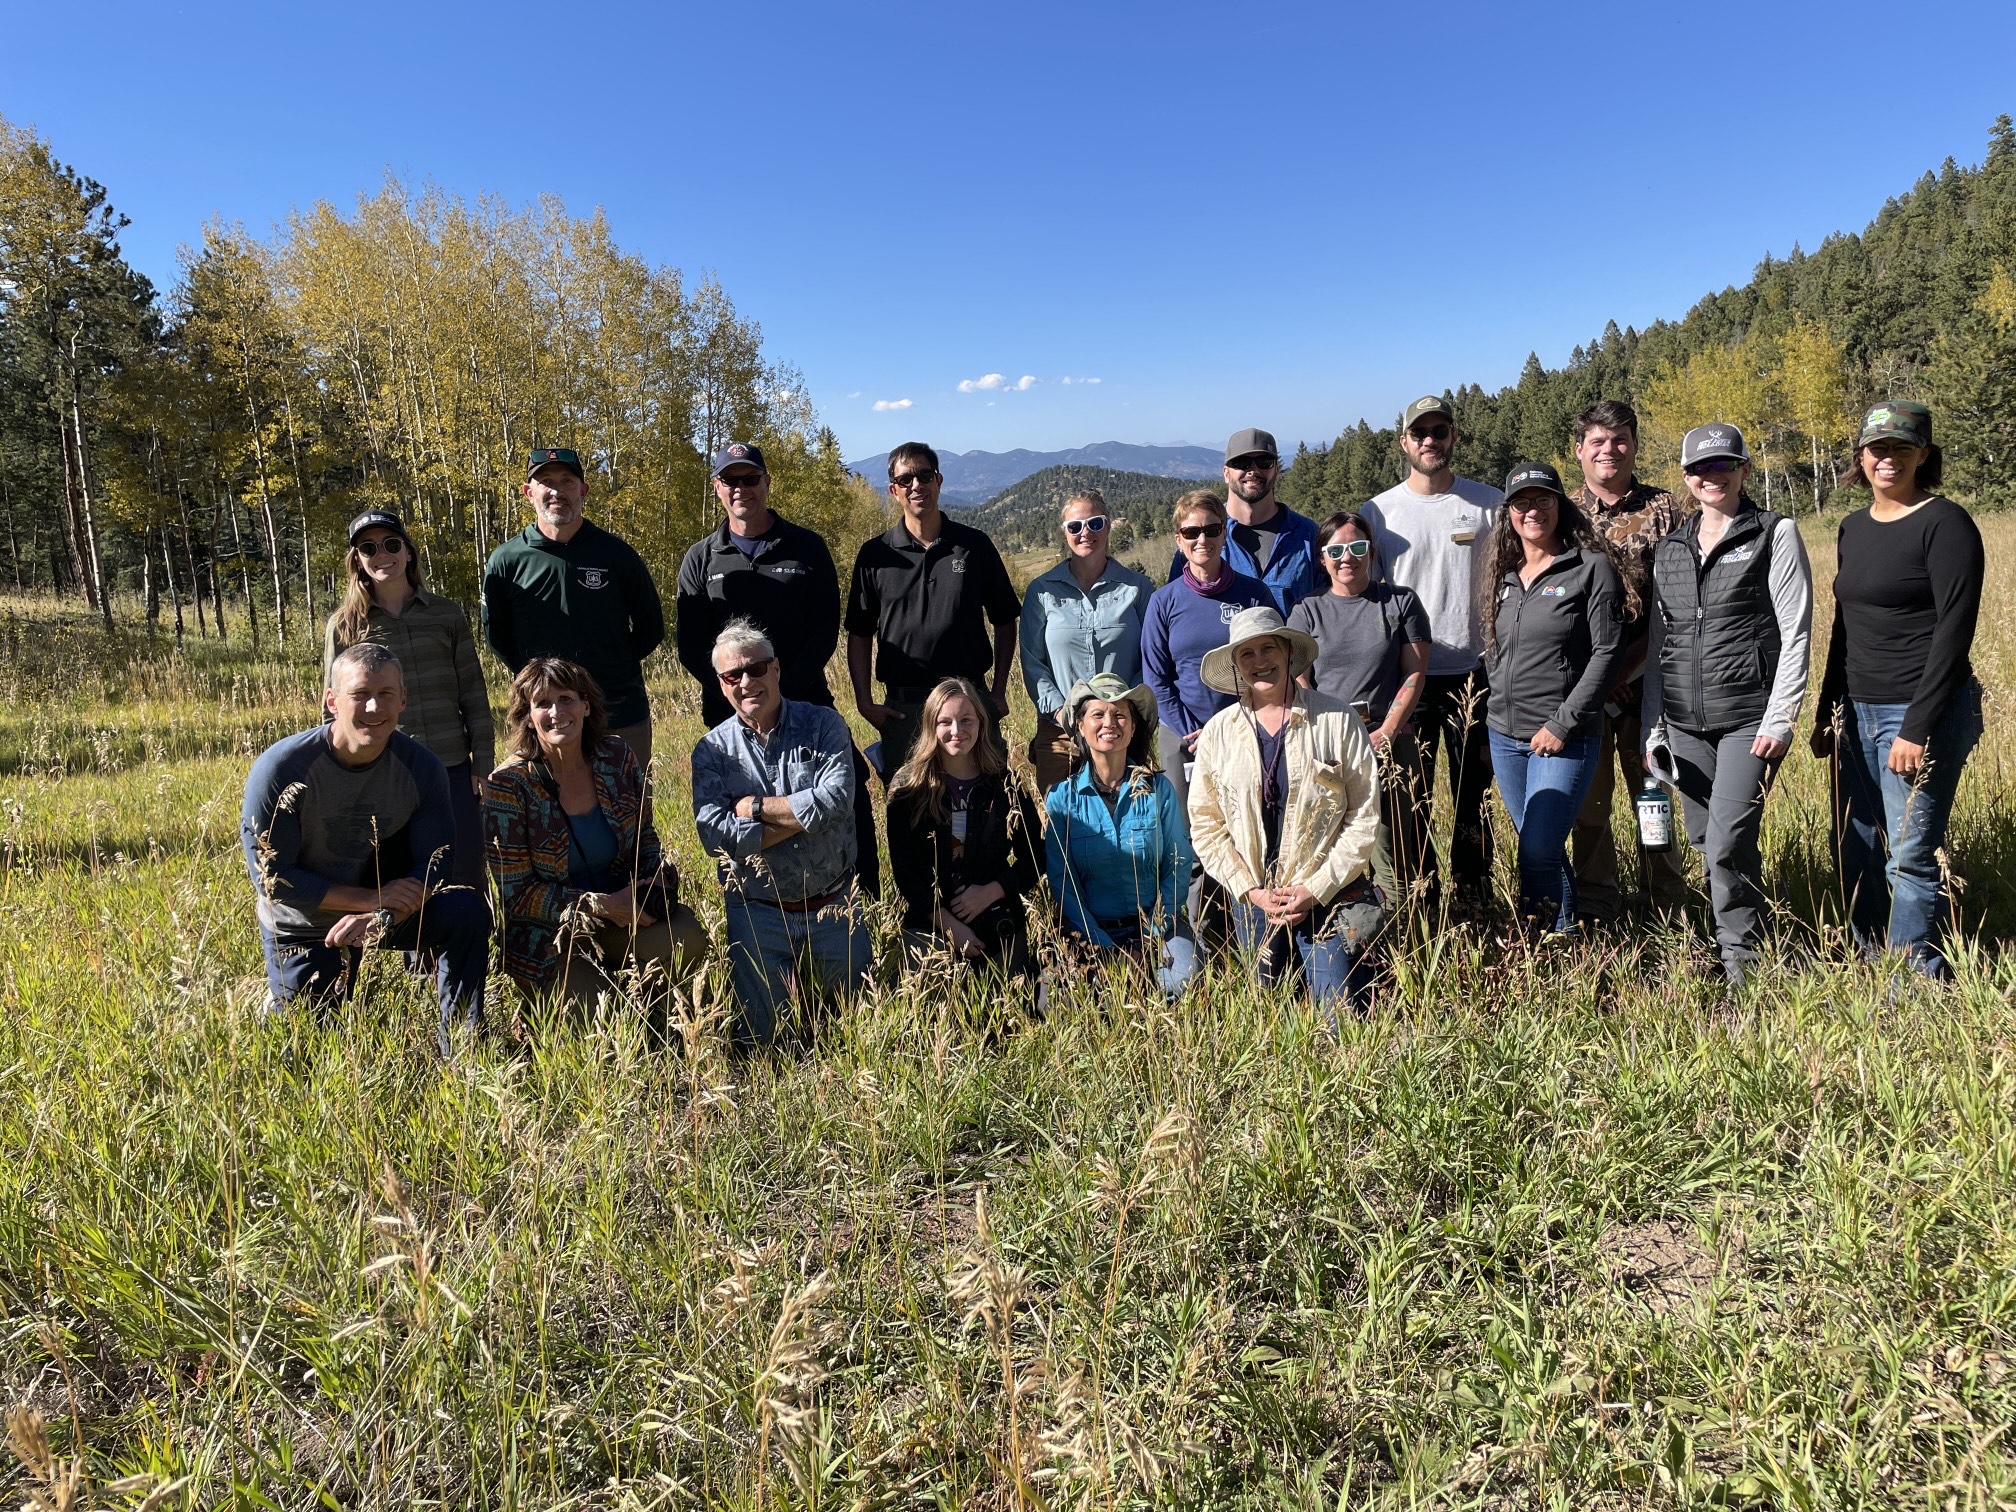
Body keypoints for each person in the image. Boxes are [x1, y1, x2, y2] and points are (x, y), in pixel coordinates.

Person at [241, 644, 491, 1052]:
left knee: (466, 912)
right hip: (305, 923)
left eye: (386, 694)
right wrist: (370, 899)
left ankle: (462, 1051)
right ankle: (280, 1003)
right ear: (332, 700)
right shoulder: (282, 769)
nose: (374, 706)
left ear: (404, 699)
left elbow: (437, 864)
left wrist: (385, 912)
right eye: (360, 694)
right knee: (314, 1052)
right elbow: (274, 880)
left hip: (384, 910)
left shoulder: (422, 768)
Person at [1812, 401, 1985, 979]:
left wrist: (1916, 727)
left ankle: (1914, 981)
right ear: (1860, 457)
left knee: (1910, 855)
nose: (1888, 459)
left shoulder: (1946, 523)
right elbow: (1843, 626)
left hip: (1918, 711)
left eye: (1902, 448)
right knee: (1856, 844)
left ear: (1924, 456)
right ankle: (1868, 957)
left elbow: (1954, 633)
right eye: (1877, 448)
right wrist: (1826, 710)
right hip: (1853, 710)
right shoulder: (1851, 528)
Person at [1643, 424, 1812, 990]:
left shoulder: (1773, 533)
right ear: (1686, 479)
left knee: (1726, 842)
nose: (1711, 477)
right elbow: (1658, 646)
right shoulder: (1670, 549)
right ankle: (1747, 940)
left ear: (1742, 469)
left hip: (1748, 717)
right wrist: (1654, 729)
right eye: (1699, 469)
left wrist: (1781, 716)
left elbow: (1797, 630)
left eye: (1723, 466)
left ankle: (1744, 973)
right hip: (1685, 724)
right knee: (1705, 841)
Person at [674, 440, 880, 898]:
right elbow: (690, 645)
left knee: (847, 804)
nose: (741, 488)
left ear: (767, 483)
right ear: (717, 488)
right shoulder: (700, 559)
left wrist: (782, 693)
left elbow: (825, 631)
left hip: (808, 705)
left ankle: (861, 908)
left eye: (750, 479)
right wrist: (742, 695)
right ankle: (754, 912)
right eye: (731, 480)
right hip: (733, 718)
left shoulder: (806, 547)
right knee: (735, 816)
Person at [483, 658, 708, 1024]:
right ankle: (541, 1013)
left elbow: (644, 837)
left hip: (625, 916)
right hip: (551, 938)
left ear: (586, 705)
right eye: (542, 704)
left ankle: (668, 1034)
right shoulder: (509, 785)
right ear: (527, 716)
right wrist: (599, 905)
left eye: (567, 699)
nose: (557, 712)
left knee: (687, 940)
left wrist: (652, 881)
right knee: (602, 1019)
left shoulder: (615, 756)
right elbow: (517, 895)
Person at [1188, 607, 1386, 1014]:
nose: (1260, 661)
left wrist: (1315, 889)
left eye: (1268, 648)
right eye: (1247, 654)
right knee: (1273, 1019)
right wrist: (1251, 891)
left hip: (1330, 896)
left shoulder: (1337, 719)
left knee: (1340, 1019)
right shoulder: (1218, 733)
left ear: (1288, 654)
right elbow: (1206, 825)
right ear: (1236, 666)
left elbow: (1363, 816)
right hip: (1257, 902)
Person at [693, 619, 869, 1047]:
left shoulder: (824, 725)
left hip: (834, 907)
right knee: (763, 1045)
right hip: (758, 915)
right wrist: (803, 818)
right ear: (721, 684)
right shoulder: (711, 751)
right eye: (734, 675)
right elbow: (716, 836)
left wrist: (754, 809)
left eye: (757, 668)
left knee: (856, 1035)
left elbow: (839, 801)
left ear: (776, 669)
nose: (747, 681)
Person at [1358, 395, 1503, 911]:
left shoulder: (1489, 503)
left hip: (1474, 672)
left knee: (1475, 798)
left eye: (1439, 431)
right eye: (1419, 433)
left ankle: (1473, 898)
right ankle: (1421, 901)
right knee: (1407, 800)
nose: (1429, 441)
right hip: (1405, 680)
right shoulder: (1377, 512)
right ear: (1404, 442)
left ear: (1453, 437)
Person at [1479, 464, 1627, 934]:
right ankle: (1555, 942)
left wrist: (1562, 724)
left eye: (1543, 499)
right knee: (1536, 845)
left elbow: (1608, 652)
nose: (1532, 510)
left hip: (1564, 736)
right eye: (1521, 502)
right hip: (1505, 735)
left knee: (1538, 848)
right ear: (1509, 513)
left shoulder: (1590, 568)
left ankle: (1548, 935)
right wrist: (1492, 718)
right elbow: (1494, 649)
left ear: (1561, 506)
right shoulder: (1504, 575)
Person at [323, 508, 494, 888]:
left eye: (391, 544)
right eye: (368, 548)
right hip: (386, 772)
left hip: (453, 769)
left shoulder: (446, 615)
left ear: (409, 551)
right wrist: (339, 777)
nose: (382, 554)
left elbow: (473, 693)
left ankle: (469, 947)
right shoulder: (346, 625)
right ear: (358, 561)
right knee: (404, 882)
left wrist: (482, 762)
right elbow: (332, 708)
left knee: (465, 876)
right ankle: (417, 949)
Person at [1566, 401, 1690, 923]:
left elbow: (1678, 603)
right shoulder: (1562, 513)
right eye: (1597, 441)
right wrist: (1596, 680)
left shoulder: (1666, 509)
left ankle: (1666, 905)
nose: (1608, 451)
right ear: (1579, 451)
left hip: (1650, 689)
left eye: (1619, 440)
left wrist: (1626, 671)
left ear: (1634, 445)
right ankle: (1599, 906)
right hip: (1583, 691)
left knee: (1653, 799)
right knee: (1589, 809)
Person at [1141, 489, 1274, 936]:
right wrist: (1190, 731)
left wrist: (1240, 726)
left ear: (1225, 534)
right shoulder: (1164, 601)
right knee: (1194, 840)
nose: (1202, 540)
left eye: (1212, 530)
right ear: (1178, 539)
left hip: (1247, 731)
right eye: (1191, 532)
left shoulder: (1253, 593)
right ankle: (1197, 939)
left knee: (1247, 833)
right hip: (1183, 735)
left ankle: (1252, 934)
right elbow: (1156, 678)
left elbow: (1272, 666)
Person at [482, 446, 665, 767]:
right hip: (544, 716)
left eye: (567, 481)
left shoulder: (617, 555)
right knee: (546, 811)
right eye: (546, 482)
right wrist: (539, 681)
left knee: (629, 811)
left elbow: (651, 628)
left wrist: (610, 663)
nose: (557, 491)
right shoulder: (506, 561)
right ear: (528, 492)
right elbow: (497, 636)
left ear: (583, 491)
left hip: (619, 710)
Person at [846, 442, 1021, 771]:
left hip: (970, 701)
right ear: (893, 490)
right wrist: (864, 702)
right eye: (905, 480)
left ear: (938, 481)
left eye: (924, 476)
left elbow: (1005, 617)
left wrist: (997, 694)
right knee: (908, 811)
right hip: (904, 707)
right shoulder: (875, 555)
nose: (916, 486)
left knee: (983, 805)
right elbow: (859, 632)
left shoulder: (973, 546)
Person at [1288, 510, 1432, 898]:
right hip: (1328, 744)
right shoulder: (1306, 611)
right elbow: (1301, 682)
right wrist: (1326, 736)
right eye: (1336, 550)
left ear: (1370, 552)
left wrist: (1386, 731)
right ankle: (1349, 938)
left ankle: (1402, 937)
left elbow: (1414, 675)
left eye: (1356, 547)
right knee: (1330, 848)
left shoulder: (1400, 602)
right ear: (1322, 558)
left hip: (1390, 739)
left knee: (1396, 848)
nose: (1346, 557)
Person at [1043, 674, 1197, 999]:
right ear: (1081, 727)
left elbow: (1178, 864)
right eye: (1098, 714)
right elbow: (1062, 881)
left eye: (1120, 715)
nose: (1109, 723)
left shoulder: (1159, 791)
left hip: (1156, 927)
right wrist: (1100, 945)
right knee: (1056, 1000)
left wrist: (1152, 935)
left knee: (1182, 979)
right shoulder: (1062, 798)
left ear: (1133, 726)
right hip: (1089, 929)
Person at [887, 677, 1043, 979]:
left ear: (981, 723)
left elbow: (1036, 856)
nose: (957, 731)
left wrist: (992, 892)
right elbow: (906, 873)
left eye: (966, 720)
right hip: (930, 922)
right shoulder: (908, 788)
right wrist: (949, 925)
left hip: (997, 915)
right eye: (945, 722)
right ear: (931, 726)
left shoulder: (1004, 782)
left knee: (1009, 1012)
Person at [1019, 489, 1154, 793]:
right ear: (1064, 532)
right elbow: (1033, 662)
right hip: (1060, 735)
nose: (1085, 533)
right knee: (1064, 830)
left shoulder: (1137, 588)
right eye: (1075, 526)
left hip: (1120, 731)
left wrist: (1124, 712)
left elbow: (1152, 657)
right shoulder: (1042, 591)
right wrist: (1061, 713)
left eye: (1094, 523)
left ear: (1108, 526)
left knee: (1126, 825)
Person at [1165, 428, 1320, 615]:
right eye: (1242, 463)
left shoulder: (1308, 534)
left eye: (1264, 462)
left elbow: (1329, 607)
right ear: (1226, 473)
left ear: (1276, 470)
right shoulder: (1197, 538)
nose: (1253, 470)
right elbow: (1174, 607)